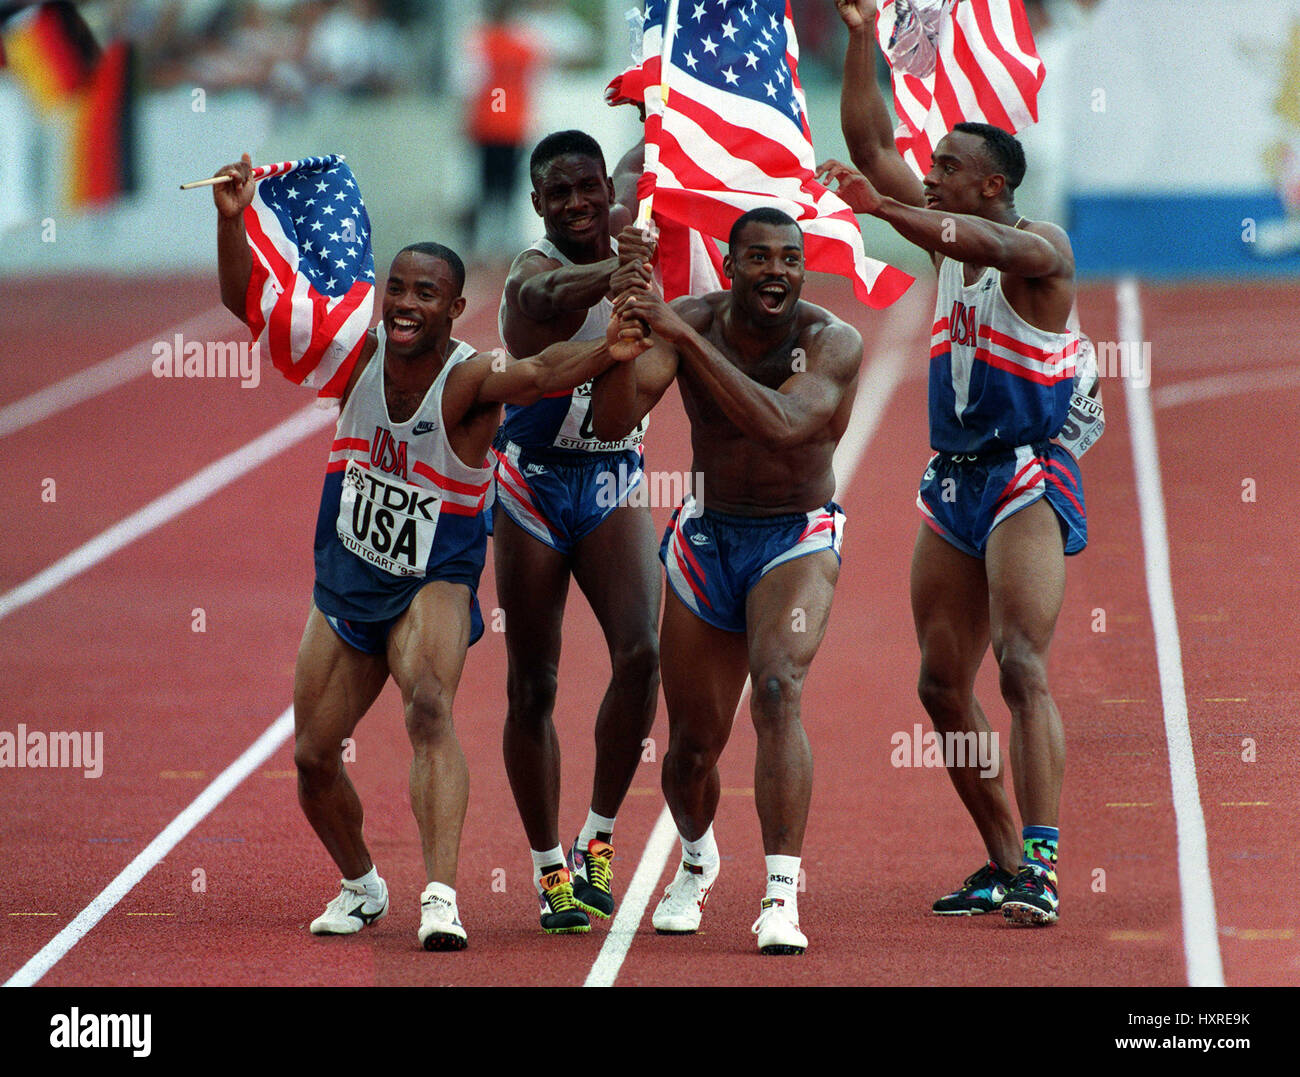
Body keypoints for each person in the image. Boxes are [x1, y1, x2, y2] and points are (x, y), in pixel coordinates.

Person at [211, 154, 644, 951]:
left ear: (454, 308)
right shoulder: (354, 359)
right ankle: (362, 883)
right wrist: (233, 219)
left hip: (433, 581)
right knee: (311, 758)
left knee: (430, 707)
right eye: (398, 291)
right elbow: (249, 301)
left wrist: (608, 351)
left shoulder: (468, 379)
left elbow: (543, 369)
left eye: (425, 294)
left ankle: (440, 896)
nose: (406, 305)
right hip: (347, 578)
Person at [818, 0, 1085, 926]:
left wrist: (882, 203)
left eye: (945, 168)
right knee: (939, 685)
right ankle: (1005, 859)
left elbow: (975, 240)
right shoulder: (947, 229)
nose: (928, 175)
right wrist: (860, 38)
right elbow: (868, 133)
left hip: (1025, 477)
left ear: (990, 184)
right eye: (931, 166)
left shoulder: (1038, 248)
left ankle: (1045, 864)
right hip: (954, 480)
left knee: (1021, 663)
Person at [591, 207, 864, 955]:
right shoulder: (691, 318)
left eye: (789, 258)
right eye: (758, 258)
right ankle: (699, 855)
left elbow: (781, 423)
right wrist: (624, 344)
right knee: (687, 750)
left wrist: (679, 338)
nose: (776, 271)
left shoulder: (831, 341)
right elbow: (613, 422)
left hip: (795, 534)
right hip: (709, 536)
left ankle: (781, 896)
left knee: (777, 689)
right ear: (732, 264)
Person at [493, 128, 662, 934]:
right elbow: (549, 301)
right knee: (535, 682)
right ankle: (546, 863)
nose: (576, 203)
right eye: (557, 194)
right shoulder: (533, 273)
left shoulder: (629, 207)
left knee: (643, 651)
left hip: (612, 471)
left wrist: (652, 87)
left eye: (586, 188)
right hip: (532, 480)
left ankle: (597, 833)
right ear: (537, 204)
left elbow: (648, 153)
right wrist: (621, 268)